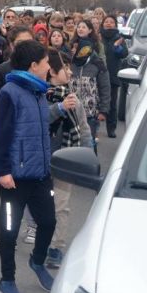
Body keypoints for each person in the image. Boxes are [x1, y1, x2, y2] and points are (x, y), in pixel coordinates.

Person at [0, 40, 57, 293]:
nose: (49, 67)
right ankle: (7, 279)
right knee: (10, 230)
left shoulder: (39, 92)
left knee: (48, 222)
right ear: (33, 66)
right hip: (13, 179)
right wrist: (3, 171)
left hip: (40, 174)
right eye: (46, 62)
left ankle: (37, 261)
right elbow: (0, 136)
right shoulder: (9, 93)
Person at [44, 49, 92, 269]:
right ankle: (39, 240)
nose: (70, 72)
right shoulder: (40, 95)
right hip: (42, 157)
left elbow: (83, 128)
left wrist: (88, 154)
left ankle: (56, 247)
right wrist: (59, 108)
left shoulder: (74, 99)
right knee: (41, 203)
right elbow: (37, 121)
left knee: (61, 205)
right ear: (52, 71)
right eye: (66, 68)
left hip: (65, 159)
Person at [70, 20, 110, 151]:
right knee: (72, 145)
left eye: (85, 48)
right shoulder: (70, 62)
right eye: (78, 27)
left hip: (90, 113)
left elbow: (105, 87)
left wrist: (103, 110)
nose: (81, 51)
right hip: (71, 111)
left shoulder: (97, 63)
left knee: (89, 145)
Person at [99, 15, 128, 138]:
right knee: (95, 102)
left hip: (113, 74)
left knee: (112, 103)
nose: (109, 24)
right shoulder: (98, 37)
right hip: (98, 74)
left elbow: (124, 54)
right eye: (106, 22)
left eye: (111, 22)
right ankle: (94, 128)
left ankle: (111, 128)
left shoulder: (119, 38)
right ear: (103, 24)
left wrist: (117, 47)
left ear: (115, 25)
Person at [0, 26, 34, 99]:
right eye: (21, 42)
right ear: (11, 45)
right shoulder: (1, 70)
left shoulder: (41, 66)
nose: (26, 46)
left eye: (29, 42)